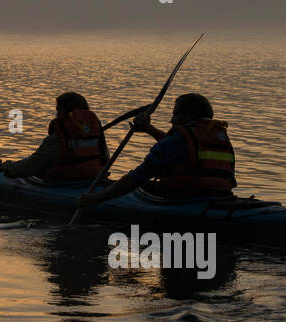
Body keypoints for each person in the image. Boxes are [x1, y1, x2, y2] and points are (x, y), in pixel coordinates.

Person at [70, 93, 235, 224]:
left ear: (189, 116)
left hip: (185, 201)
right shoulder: (217, 137)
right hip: (219, 198)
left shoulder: (177, 142)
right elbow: (179, 147)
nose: (171, 120)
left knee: (139, 186)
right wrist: (148, 129)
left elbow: (137, 177)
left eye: (175, 114)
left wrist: (95, 199)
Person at [2, 92, 110, 182]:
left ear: (64, 112)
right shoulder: (97, 134)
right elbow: (105, 158)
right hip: (94, 179)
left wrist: (10, 168)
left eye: (58, 110)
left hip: (63, 182)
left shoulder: (56, 139)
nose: (56, 114)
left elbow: (33, 165)